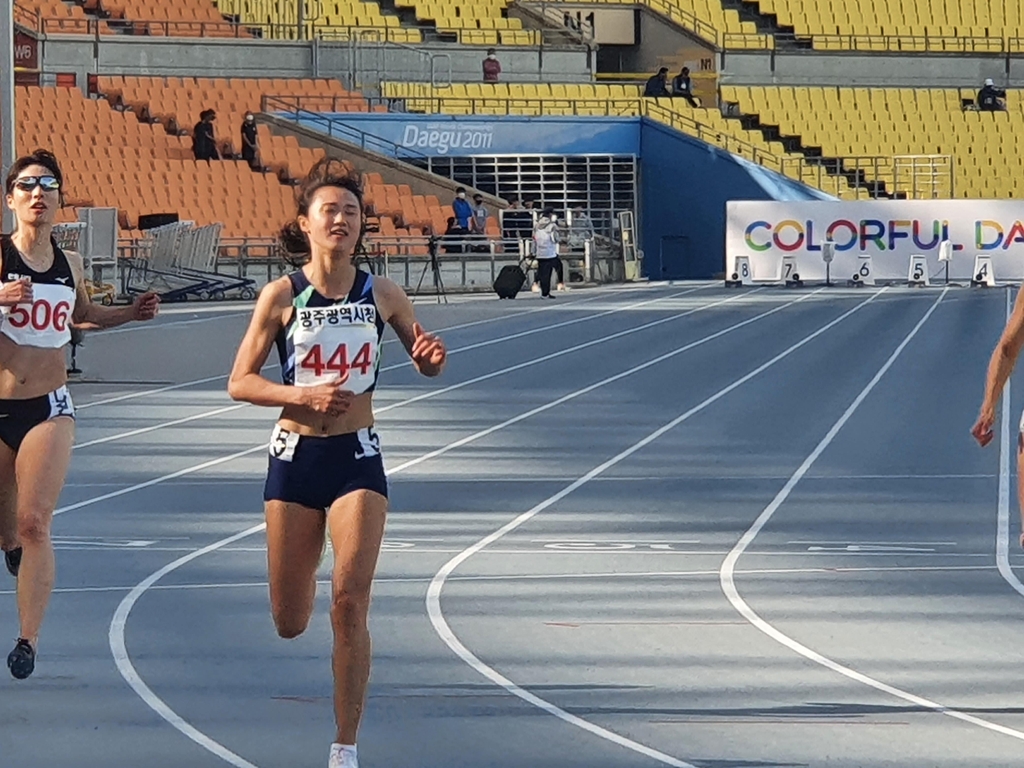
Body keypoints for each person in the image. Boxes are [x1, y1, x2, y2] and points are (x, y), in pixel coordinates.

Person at [226, 158, 447, 768]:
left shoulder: (383, 293)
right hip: (296, 457)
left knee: (349, 602)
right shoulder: (280, 295)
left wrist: (429, 356)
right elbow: (240, 382)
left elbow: (424, 356)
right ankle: (298, 577)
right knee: (291, 621)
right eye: (331, 210)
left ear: (360, 226)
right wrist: (302, 394)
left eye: (352, 212)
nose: (343, 219)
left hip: (358, 456)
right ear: (306, 223)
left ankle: (345, 747)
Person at [0, 149, 160, 680]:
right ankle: (9, 547)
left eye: (47, 184)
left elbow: (83, 317)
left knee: (34, 522)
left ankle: (28, 640)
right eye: (26, 185)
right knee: (7, 529)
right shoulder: (0, 257)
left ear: (59, 198)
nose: (37, 193)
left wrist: (129, 314)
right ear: (11, 199)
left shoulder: (68, 265)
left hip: (48, 407)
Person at [532, 208, 562, 298]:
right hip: (550, 252)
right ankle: (546, 292)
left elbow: (534, 240)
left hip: (540, 253)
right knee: (549, 273)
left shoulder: (536, 225)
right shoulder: (552, 226)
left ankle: (539, 286)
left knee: (542, 272)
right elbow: (556, 239)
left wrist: (533, 252)